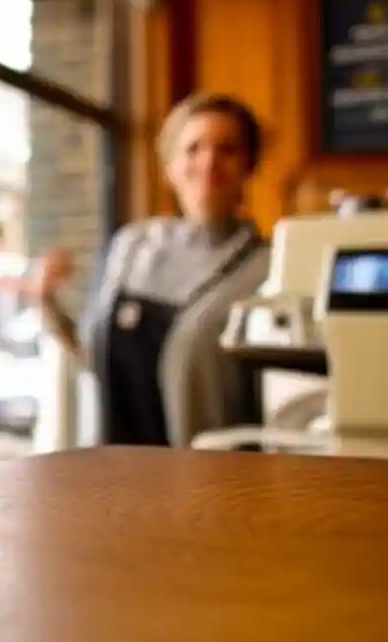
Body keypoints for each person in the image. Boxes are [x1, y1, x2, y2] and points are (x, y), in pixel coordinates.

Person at [34, 92, 271, 447]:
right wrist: (47, 301)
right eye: (193, 148)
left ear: (249, 165)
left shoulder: (266, 266)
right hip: (113, 470)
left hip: (208, 475)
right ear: (170, 166)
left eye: (227, 149)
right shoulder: (131, 246)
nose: (209, 162)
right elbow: (90, 355)